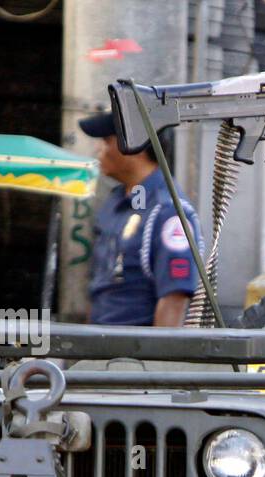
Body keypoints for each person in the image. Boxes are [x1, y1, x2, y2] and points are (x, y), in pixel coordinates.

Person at [79, 111, 202, 327]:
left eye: (107, 141)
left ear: (134, 145)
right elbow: (101, 289)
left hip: (134, 356)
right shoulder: (116, 202)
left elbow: (174, 301)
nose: (99, 149)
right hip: (98, 350)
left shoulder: (168, 212)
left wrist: (156, 362)